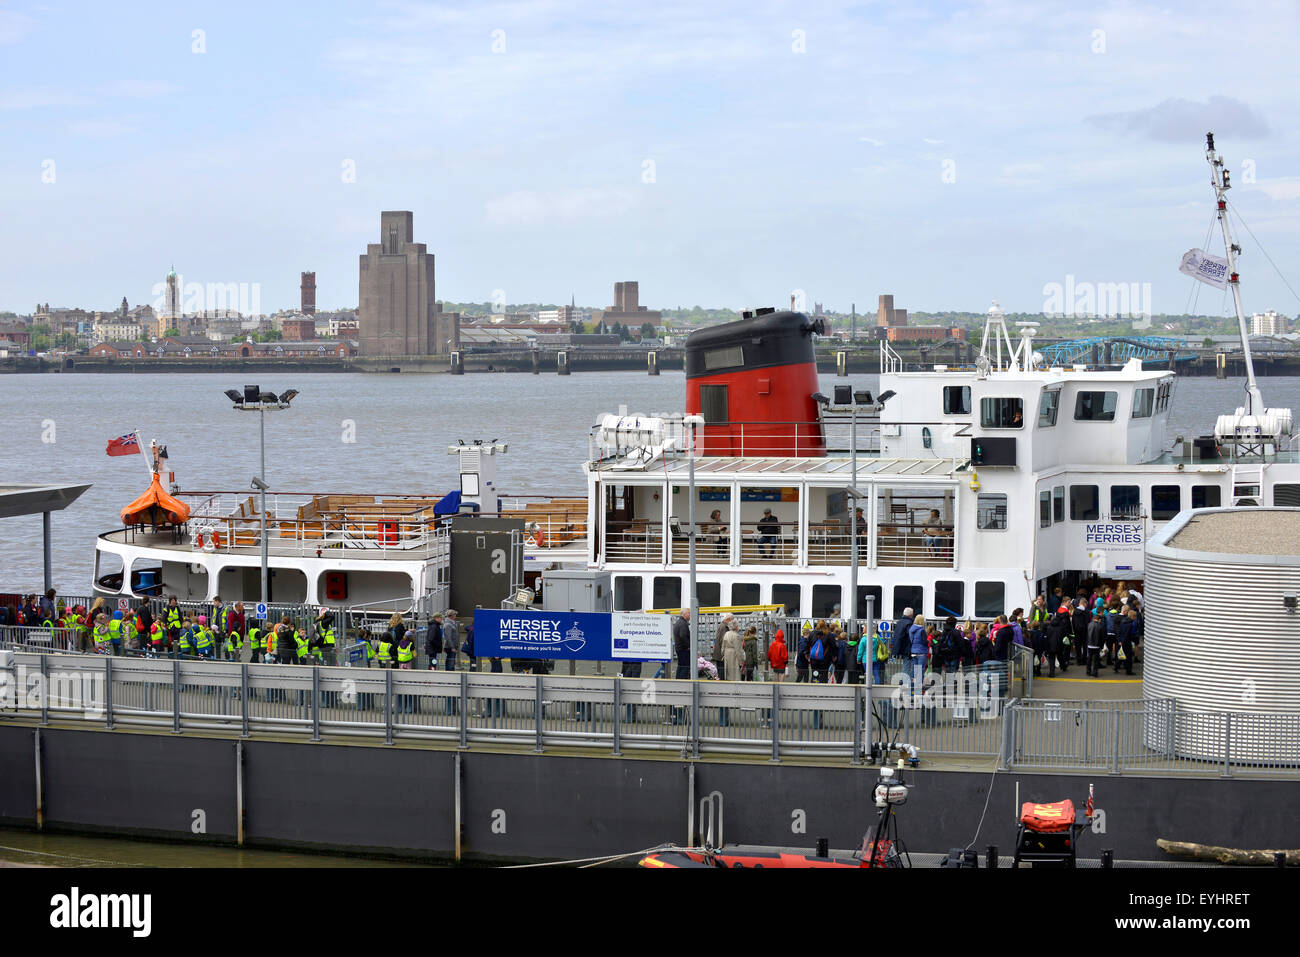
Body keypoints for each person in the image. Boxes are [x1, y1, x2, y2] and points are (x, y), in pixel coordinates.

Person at [671, 609, 691, 724]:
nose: (690, 615)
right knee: (684, 668)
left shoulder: (678, 623)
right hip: (683, 650)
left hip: (680, 649)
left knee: (681, 668)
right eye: (689, 613)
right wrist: (690, 645)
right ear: (684, 614)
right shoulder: (683, 624)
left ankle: (679, 681)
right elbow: (683, 636)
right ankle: (681, 683)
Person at [1044, 607, 1071, 677]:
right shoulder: (1061, 627)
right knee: (1060, 656)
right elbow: (1064, 636)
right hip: (1059, 645)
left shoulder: (1049, 627)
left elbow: (1047, 637)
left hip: (1051, 645)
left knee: (1052, 658)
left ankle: (1052, 673)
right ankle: (1063, 667)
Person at [711, 614, 734, 682]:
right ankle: (722, 686)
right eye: (732, 621)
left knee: (721, 670)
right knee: (722, 671)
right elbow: (723, 640)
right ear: (729, 619)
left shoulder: (722, 626)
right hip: (721, 654)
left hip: (719, 653)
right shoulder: (724, 627)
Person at [1086, 611, 1106, 677]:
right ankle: (1095, 673)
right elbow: (1102, 637)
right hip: (1096, 645)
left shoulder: (1089, 624)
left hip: (1089, 644)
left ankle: (1088, 671)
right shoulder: (1100, 626)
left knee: (1089, 659)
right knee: (1096, 660)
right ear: (1099, 619)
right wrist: (1102, 645)